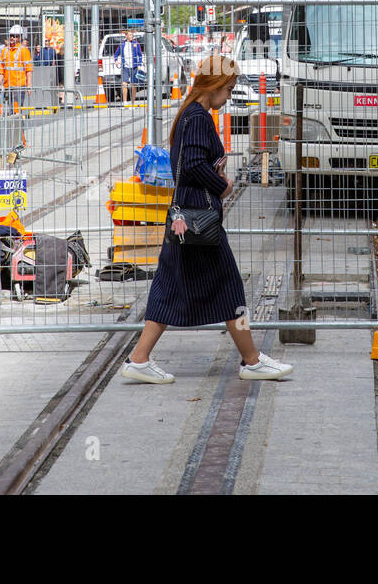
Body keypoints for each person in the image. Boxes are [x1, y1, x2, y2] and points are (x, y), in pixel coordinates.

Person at [122, 54, 293, 385]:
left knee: (169, 287)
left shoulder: (189, 115)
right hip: (198, 219)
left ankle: (139, 358)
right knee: (228, 287)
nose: (228, 96)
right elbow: (192, 167)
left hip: (186, 217)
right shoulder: (198, 118)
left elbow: (188, 164)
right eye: (227, 89)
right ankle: (252, 360)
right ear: (213, 86)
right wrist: (223, 185)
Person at [0, 25, 32, 114]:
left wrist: (29, 85)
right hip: (7, 85)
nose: (13, 38)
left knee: (17, 111)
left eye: (16, 36)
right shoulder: (5, 51)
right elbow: (1, 69)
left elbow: (28, 70)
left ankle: (18, 126)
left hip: (19, 85)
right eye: (12, 35)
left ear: (20, 37)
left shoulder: (24, 51)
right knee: (10, 110)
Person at [119, 30, 143, 104]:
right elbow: (116, 54)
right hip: (125, 67)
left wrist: (139, 64)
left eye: (132, 35)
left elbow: (140, 55)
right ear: (126, 36)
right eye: (129, 35)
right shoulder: (122, 44)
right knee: (124, 84)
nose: (131, 36)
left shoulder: (136, 43)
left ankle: (133, 102)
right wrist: (116, 60)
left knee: (133, 85)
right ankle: (125, 101)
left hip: (134, 66)